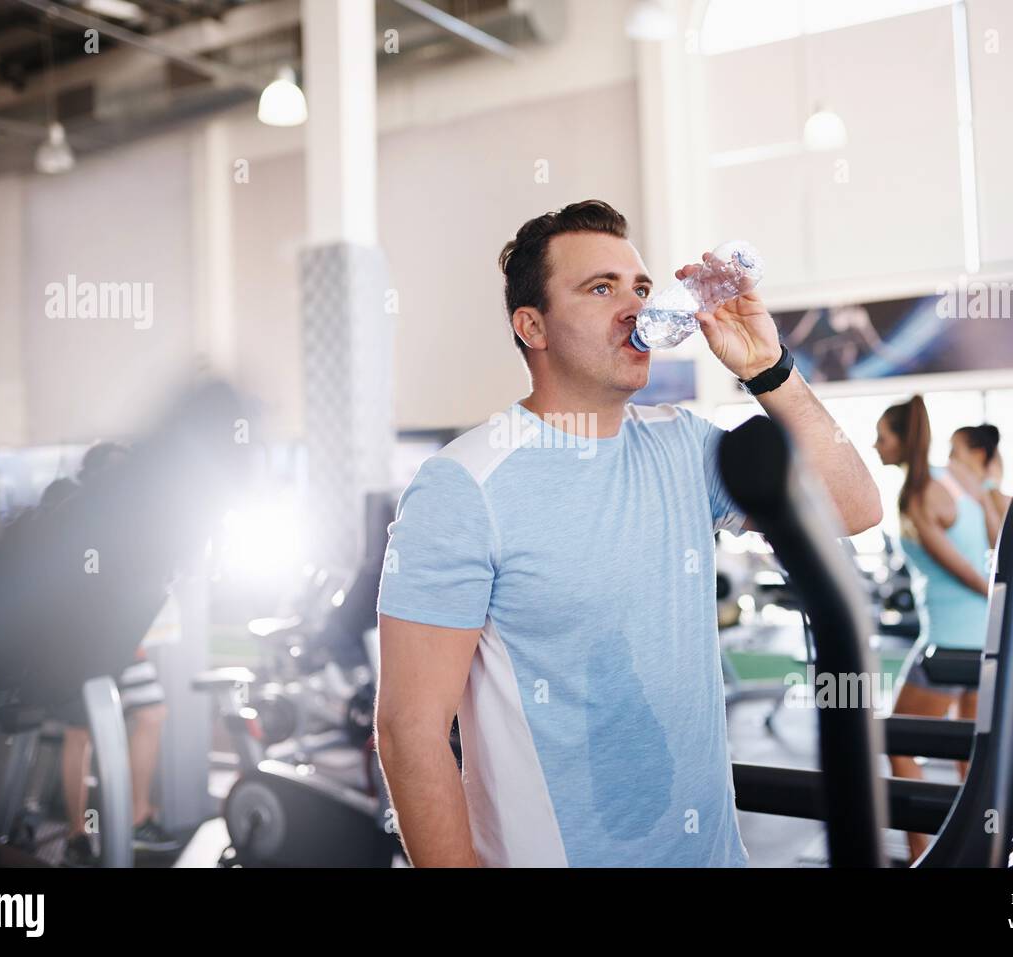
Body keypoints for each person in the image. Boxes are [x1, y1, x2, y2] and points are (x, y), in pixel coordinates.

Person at [375, 200, 881, 867]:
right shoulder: (462, 484)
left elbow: (854, 504)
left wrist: (768, 366)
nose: (635, 308)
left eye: (641, 288)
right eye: (600, 288)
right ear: (533, 326)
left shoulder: (681, 445)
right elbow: (409, 730)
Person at [50, 441, 180, 866]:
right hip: (76, 647)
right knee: (81, 733)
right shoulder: (77, 517)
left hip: (121, 644)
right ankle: (76, 833)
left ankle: (137, 816)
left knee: (152, 712)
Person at [874, 396, 992, 863]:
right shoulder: (957, 478)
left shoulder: (919, 492)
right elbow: (996, 531)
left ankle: (923, 852)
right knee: (971, 752)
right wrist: (1005, 592)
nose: (875, 445)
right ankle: (979, 847)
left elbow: (959, 566)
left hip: (948, 643)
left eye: (882, 436)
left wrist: (998, 591)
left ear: (903, 441)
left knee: (896, 738)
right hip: (982, 637)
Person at [951, 424, 1010, 544]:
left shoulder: (990, 494)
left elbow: (1001, 542)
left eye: (955, 450)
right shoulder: (964, 494)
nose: (950, 456)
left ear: (978, 454)